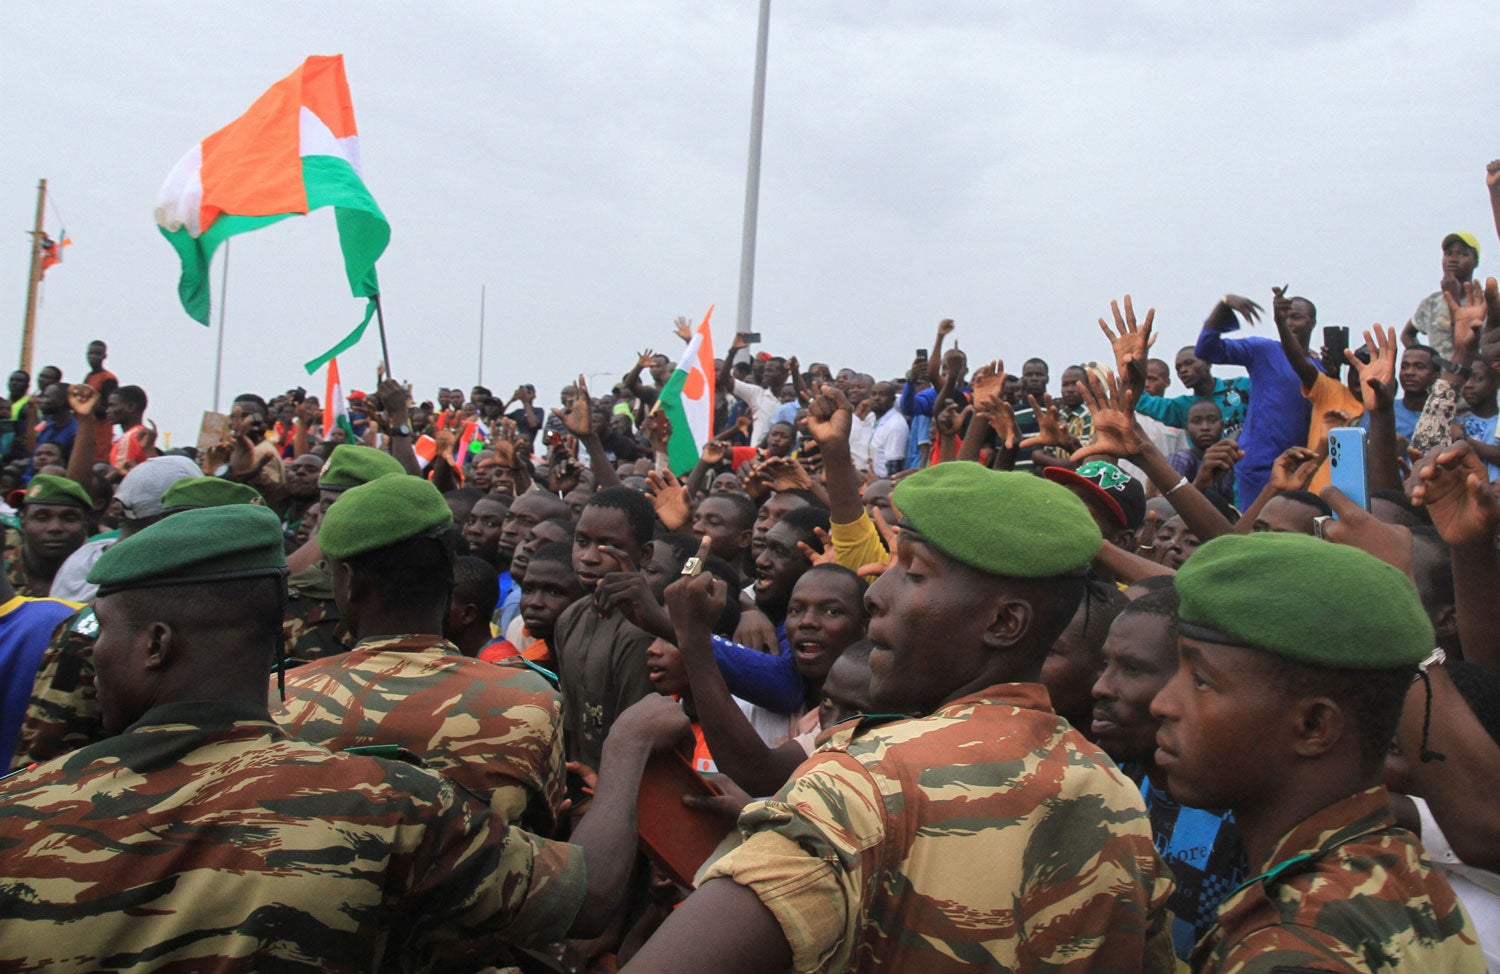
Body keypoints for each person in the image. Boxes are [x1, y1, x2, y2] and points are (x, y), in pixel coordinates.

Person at [0, 504, 690, 970]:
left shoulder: (17, 813)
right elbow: (587, 898)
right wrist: (627, 748)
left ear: (154, 643)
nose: (93, 654)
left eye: (103, 632)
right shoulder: (388, 805)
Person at [624, 463, 1176, 973]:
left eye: (914, 572)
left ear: (1005, 623)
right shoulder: (1116, 795)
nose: (877, 595)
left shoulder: (867, 779)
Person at [1153, 532, 1484, 971]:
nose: (1162, 704)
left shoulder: (1293, 948)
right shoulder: (1395, 862)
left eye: (1201, 680)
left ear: (1314, 726)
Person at [276, 474, 565, 833]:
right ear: (449, 574)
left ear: (350, 580)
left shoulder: (281, 701)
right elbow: (543, 834)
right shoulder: (531, 701)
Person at [1090, 584, 1247, 960]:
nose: (1101, 687)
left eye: (1132, 669)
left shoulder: (1241, 818)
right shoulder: (1105, 779)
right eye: (1105, 664)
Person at [551, 487, 659, 772]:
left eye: (606, 546)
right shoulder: (569, 618)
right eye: (581, 541)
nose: (588, 557)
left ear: (644, 554)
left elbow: (637, 738)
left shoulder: (642, 630)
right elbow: (571, 723)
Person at [1195, 292, 1320, 507]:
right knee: (1256, 525)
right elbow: (1206, 349)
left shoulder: (1321, 367)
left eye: (1296, 317)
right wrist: (1224, 305)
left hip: (1303, 468)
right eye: (1286, 316)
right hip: (1260, 466)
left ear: (1312, 323)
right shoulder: (1263, 350)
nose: (1290, 322)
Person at [4, 475, 91, 597]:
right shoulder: (3, 569)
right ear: (23, 523)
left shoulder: (100, 575)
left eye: (69, 518)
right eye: (42, 518)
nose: (55, 527)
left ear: (85, 524)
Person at [1402, 232, 1481, 360]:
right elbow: (1407, 335)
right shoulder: (1432, 302)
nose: (1453, 259)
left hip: (1472, 371)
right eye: (1448, 254)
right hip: (1441, 373)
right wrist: (1428, 361)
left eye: (1462, 254)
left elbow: (1462, 346)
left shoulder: (1485, 303)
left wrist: (1453, 297)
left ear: (1475, 262)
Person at [1135, 346, 1251, 432]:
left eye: (1189, 363)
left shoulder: (1242, 386)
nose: (1183, 370)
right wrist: (1133, 361)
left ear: (1207, 363)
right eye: (1178, 368)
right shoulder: (1181, 407)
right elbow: (1136, 398)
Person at [82, 340, 117, 464]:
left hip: (102, 431)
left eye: (97, 354)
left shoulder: (108, 379)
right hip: (87, 428)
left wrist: (87, 409)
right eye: (90, 353)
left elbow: (108, 409)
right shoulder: (89, 377)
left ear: (104, 356)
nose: (93, 357)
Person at [1395, 344, 1439, 441]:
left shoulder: (1446, 417)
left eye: (1419, 367)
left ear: (1436, 376)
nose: (1409, 372)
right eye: (1404, 366)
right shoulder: (1383, 412)